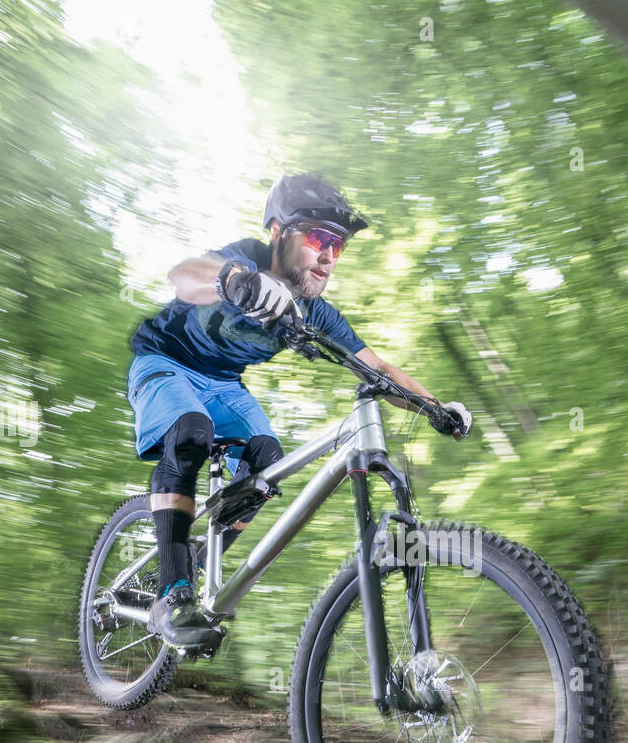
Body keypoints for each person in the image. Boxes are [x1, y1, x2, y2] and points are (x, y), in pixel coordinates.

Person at [126, 172, 472, 649]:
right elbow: (184, 275)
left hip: (225, 385)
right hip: (164, 363)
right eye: (316, 237)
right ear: (276, 233)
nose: (329, 255)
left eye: (339, 246)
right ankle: (171, 588)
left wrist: (435, 407)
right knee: (190, 431)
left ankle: (199, 554)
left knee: (267, 466)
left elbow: (379, 367)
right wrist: (235, 282)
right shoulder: (243, 258)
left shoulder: (315, 313)